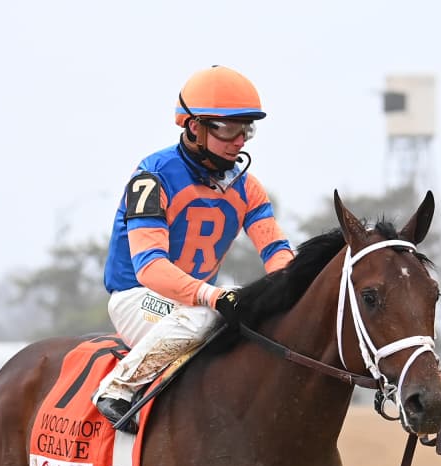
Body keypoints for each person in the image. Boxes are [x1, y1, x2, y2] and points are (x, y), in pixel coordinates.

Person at [93, 65, 295, 430]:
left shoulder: (248, 187)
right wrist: (212, 296)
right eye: (229, 129)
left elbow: (276, 250)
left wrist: (293, 286)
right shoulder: (152, 176)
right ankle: (117, 388)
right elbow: (150, 267)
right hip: (139, 297)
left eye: (247, 129)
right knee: (210, 315)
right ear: (194, 127)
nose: (240, 140)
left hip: (195, 304)